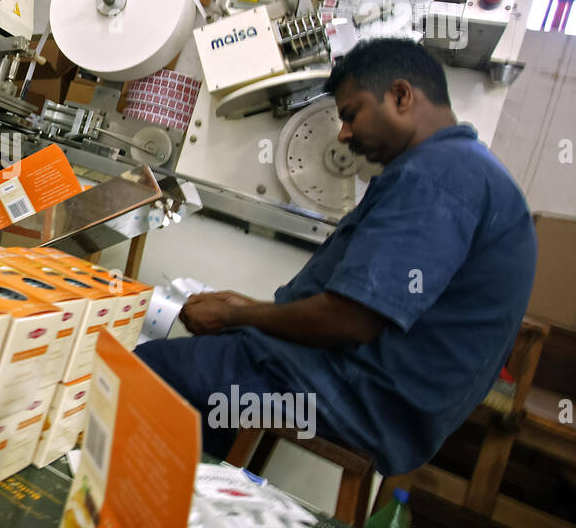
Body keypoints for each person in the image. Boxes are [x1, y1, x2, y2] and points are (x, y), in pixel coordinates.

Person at [135, 39, 537, 475]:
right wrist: (244, 310)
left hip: (352, 398)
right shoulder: (462, 167)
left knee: (135, 372)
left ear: (401, 96)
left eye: (350, 114)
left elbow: (352, 321)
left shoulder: (437, 175)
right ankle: (193, 495)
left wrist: (238, 317)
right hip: (362, 392)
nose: (344, 133)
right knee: (203, 392)